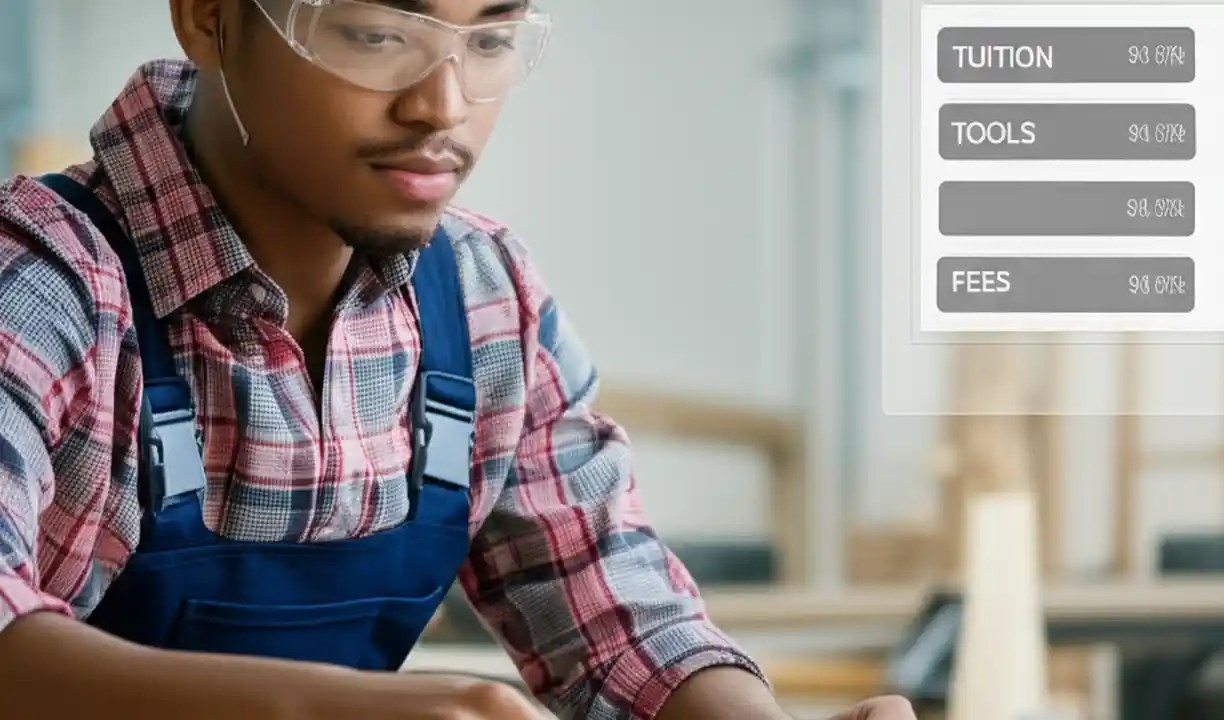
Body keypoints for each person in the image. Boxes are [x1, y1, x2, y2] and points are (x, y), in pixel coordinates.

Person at [0, 1, 916, 719]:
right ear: (209, 16)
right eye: (375, 33)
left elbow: (613, 621)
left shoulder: (485, 297)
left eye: (490, 39)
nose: (442, 106)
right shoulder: (45, 285)